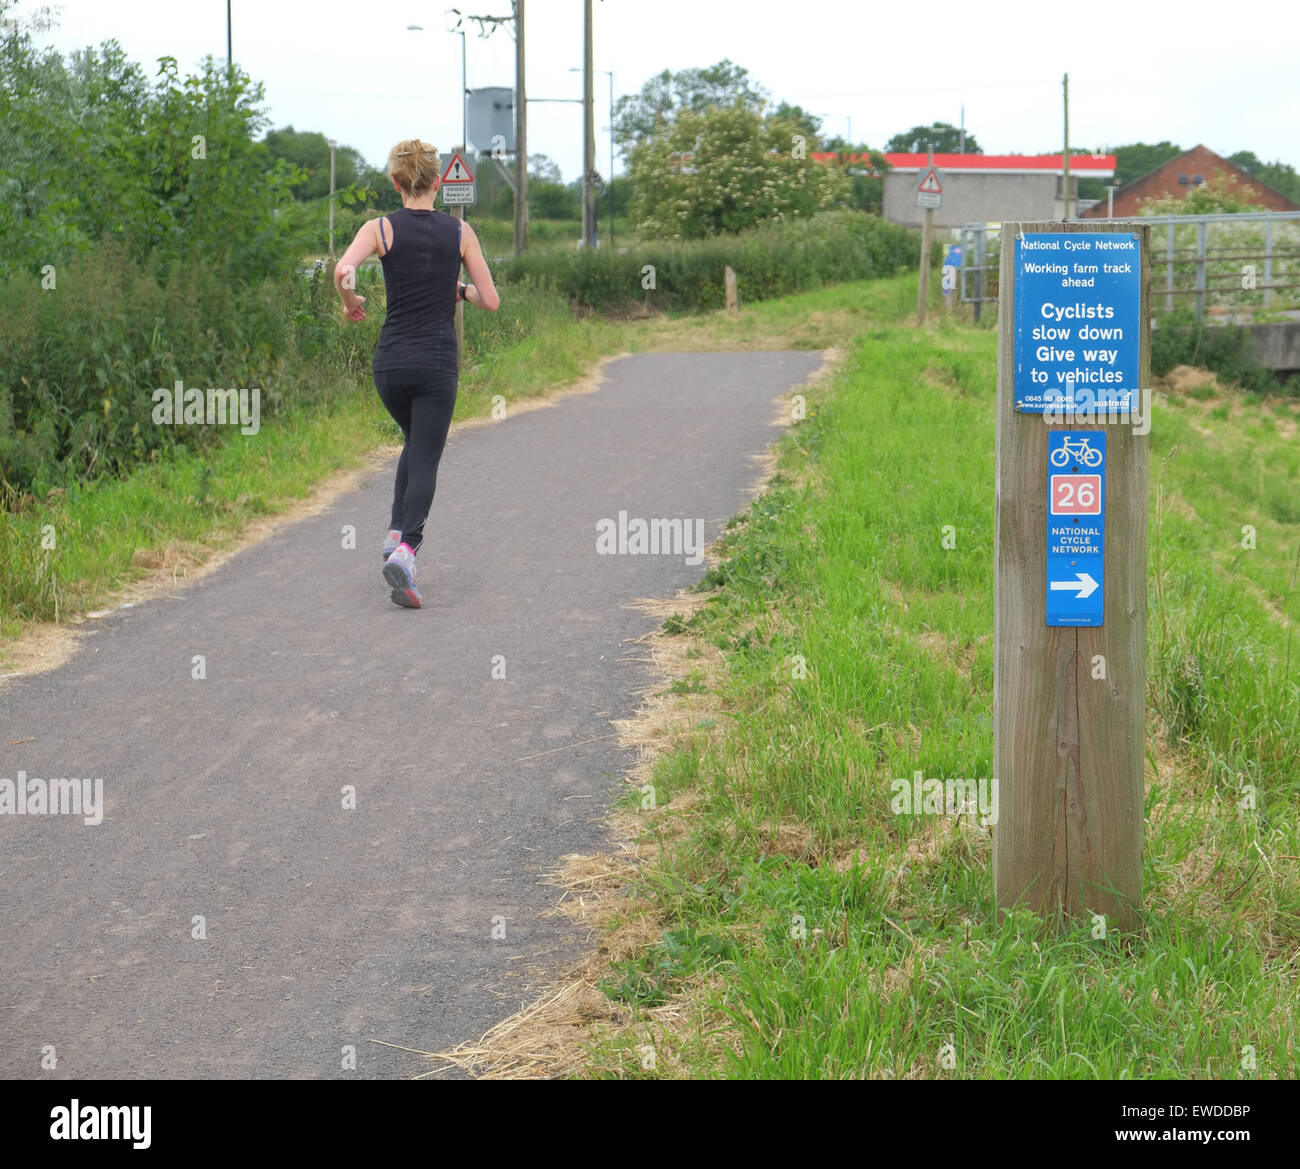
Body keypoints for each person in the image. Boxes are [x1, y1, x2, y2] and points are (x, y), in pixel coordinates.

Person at [334, 138, 499, 608]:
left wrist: (351, 303)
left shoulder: (380, 229)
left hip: (390, 365)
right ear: (439, 182)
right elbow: (491, 300)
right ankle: (407, 551)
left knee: (414, 443)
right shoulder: (459, 233)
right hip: (437, 363)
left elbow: (344, 269)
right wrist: (460, 291)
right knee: (426, 454)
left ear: (395, 182)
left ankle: (393, 533)